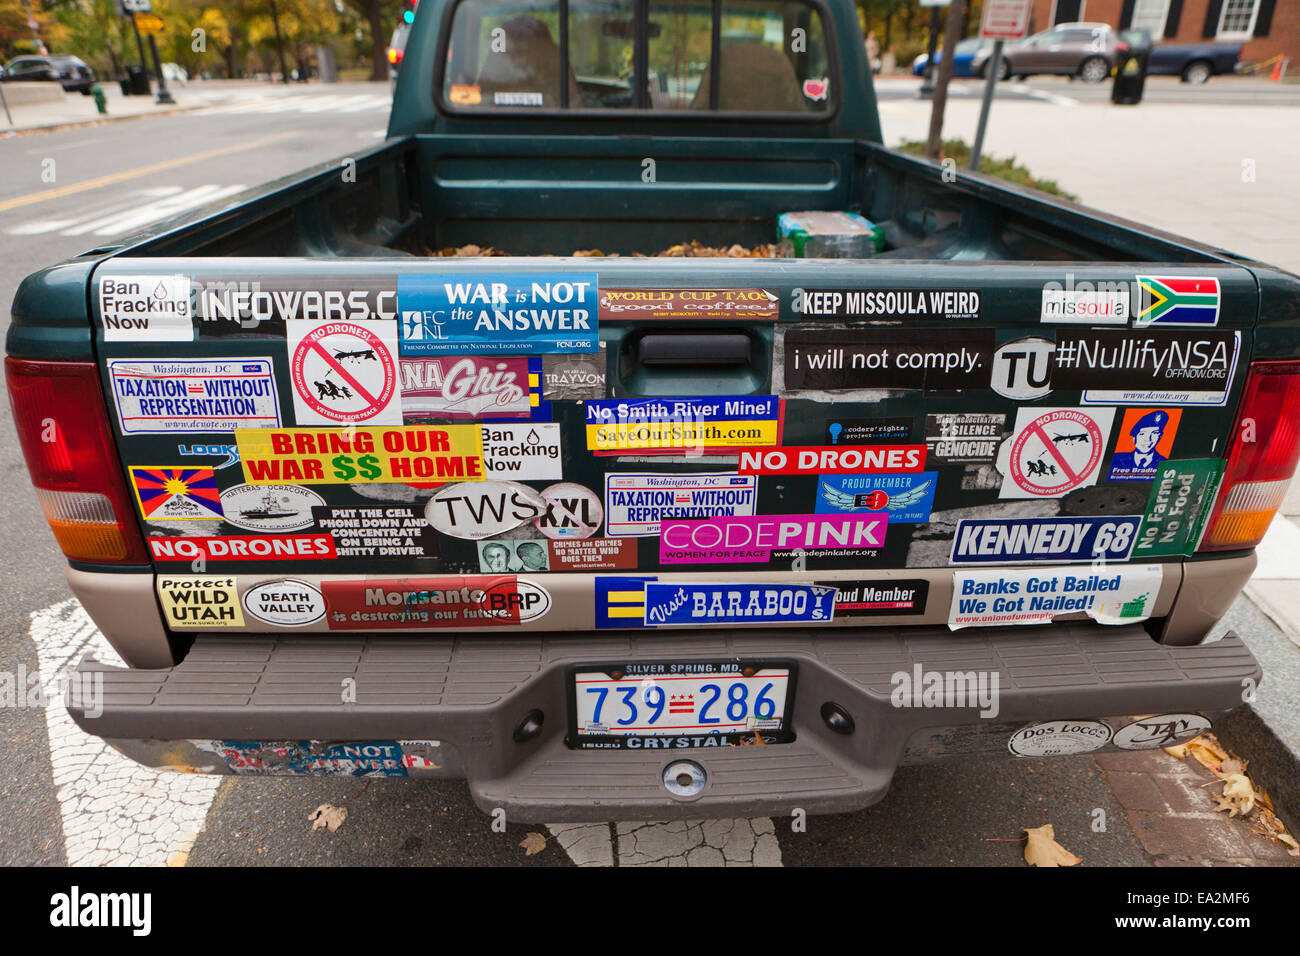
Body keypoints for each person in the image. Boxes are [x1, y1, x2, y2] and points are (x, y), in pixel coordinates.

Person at [1110, 410, 1171, 478]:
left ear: (1160, 437)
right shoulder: (1117, 458)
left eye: (1154, 433)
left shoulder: (1165, 463)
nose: (1148, 439)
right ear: (1134, 438)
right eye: (1142, 434)